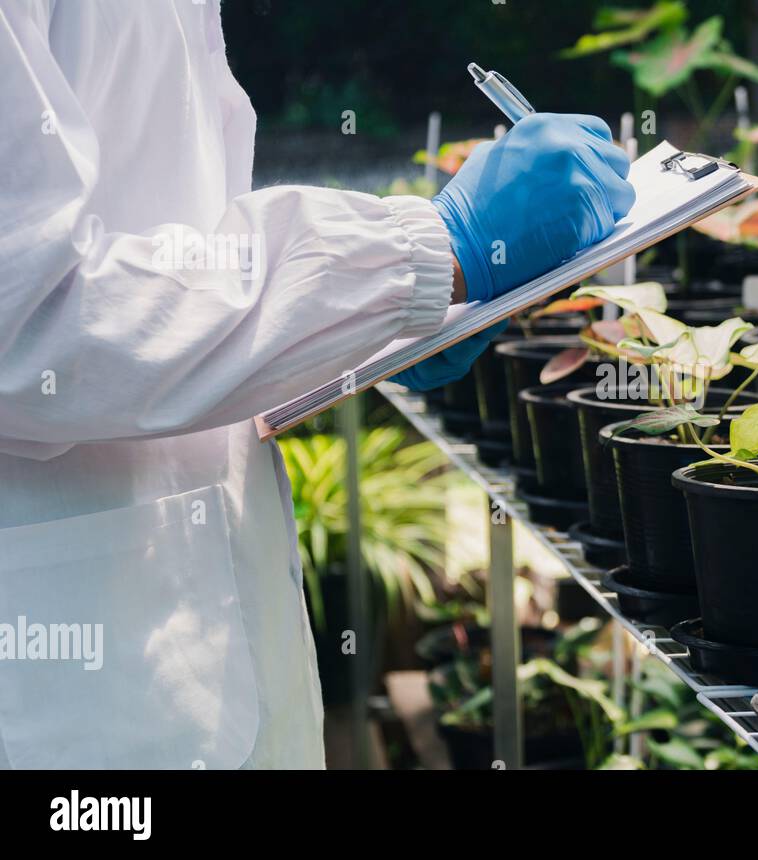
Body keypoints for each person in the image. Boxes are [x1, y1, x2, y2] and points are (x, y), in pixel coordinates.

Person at [0, 1, 634, 768]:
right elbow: (28, 316)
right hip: (78, 695)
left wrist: (374, 325)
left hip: (179, 638)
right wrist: (422, 253)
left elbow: (157, 245)